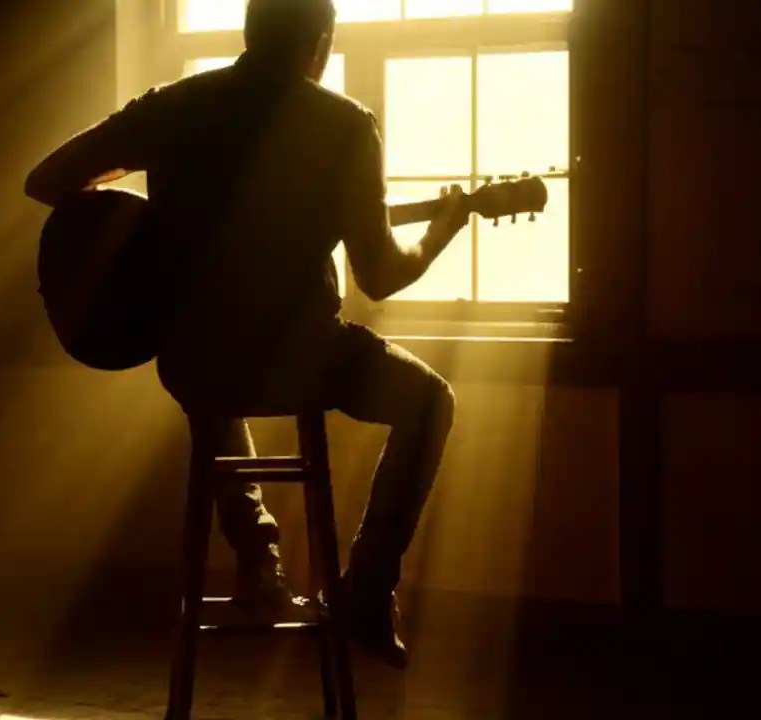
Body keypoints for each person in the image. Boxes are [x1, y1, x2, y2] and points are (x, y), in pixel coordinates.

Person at [25, 0, 467, 668]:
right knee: (431, 401)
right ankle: (367, 592)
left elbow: (46, 180)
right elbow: (378, 275)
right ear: (318, 46)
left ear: (249, 34)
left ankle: (258, 565)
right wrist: (443, 230)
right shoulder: (344, 125)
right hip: (304, 361)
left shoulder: (174, 106)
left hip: (193, 360)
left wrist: (146, 231)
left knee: (210, 364)